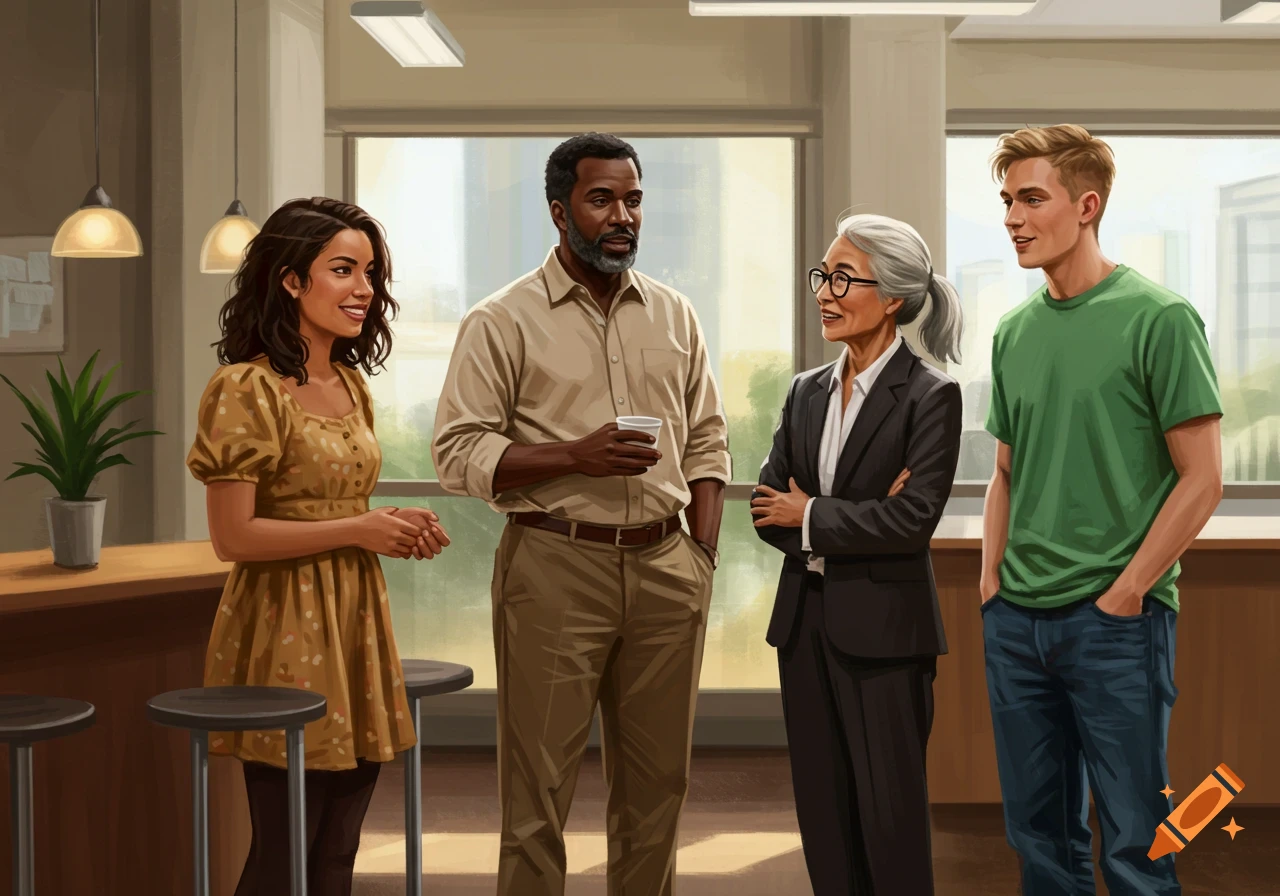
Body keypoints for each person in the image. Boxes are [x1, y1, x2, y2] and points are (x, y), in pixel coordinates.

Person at [431, 133, 730, 896]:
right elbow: (457, 451)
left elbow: (707, 442)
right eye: (602, 200)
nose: (621, 215)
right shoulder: (501, 321)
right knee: (537, 796)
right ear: (560, 210)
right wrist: (574, 455)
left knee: (659, 790)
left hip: (669, 570)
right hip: (555, 566)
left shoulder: (674, 314)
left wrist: (701, 556)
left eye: (632, 199)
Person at [980, 124, 1224, 896]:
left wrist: (1126, 593)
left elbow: (1202, 478)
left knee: (1134, 842)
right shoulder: (1013, 333)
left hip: (1115, 625)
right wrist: (992, 583)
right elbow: (1005, 473)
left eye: (1031, 198)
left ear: (1086, 206)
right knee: (1039, 839)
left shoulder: (1159, 318)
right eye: (1006, 201)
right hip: (1017, 622)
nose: (1013, 217)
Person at [186, 197, 450, 896]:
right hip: (284, 626)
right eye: (343, 269)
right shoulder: (245, 387)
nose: (364, 289)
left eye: (370, 272)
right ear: (290, 280)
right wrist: (358, 529)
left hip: (355, 620)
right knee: (286, 852)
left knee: (338, 848)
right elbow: (232, 536)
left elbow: (337, 505)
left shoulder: (351, 385)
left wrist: (390, 523)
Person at [751, 213, 964, 895]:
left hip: (886, 635)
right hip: (803, 624)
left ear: (893, 297)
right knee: (824, 816)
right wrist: (854, 516)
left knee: (889, 821)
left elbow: (911, 521)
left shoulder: (932, 396)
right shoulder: (804, 390)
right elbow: (765, 508)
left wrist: (810, 512)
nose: (824, 291)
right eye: (822, 274)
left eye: (843, 277)